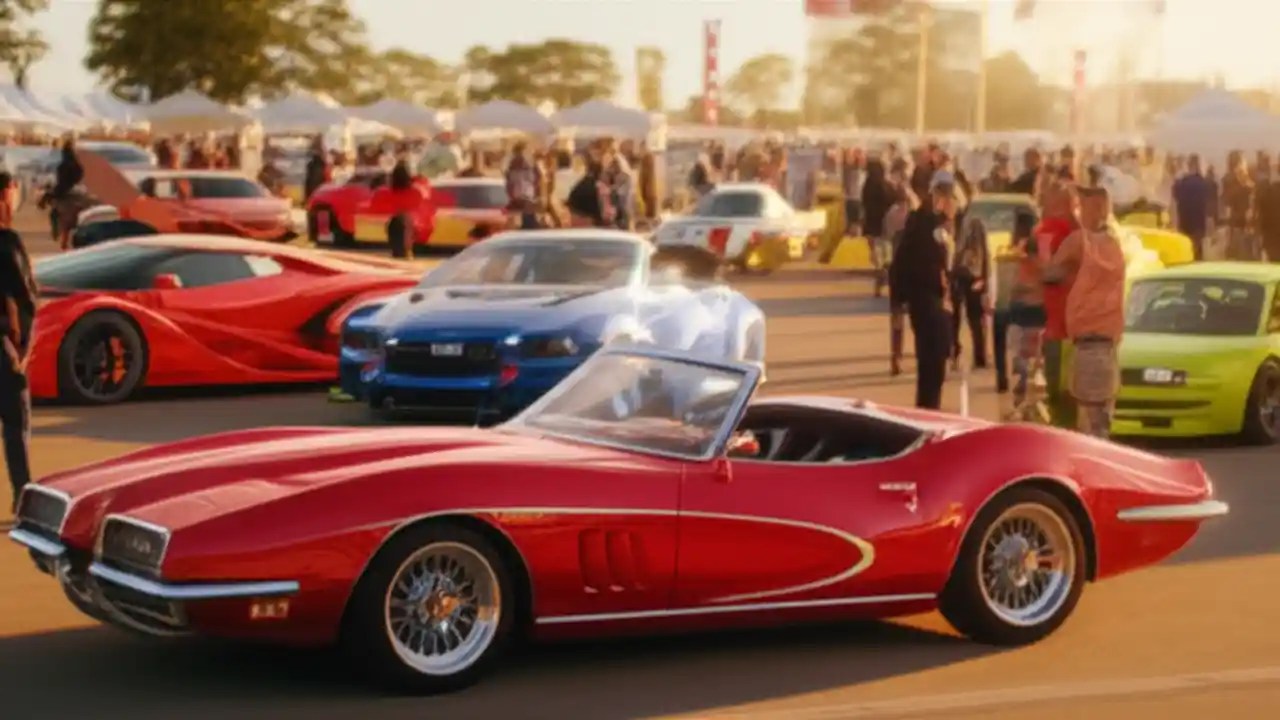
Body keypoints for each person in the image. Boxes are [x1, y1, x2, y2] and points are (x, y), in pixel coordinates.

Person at [1045, 186, 1126, 438]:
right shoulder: (1116, 244)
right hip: (1109, 346)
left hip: (1086, 344)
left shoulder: (1079, 242)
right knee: (1103, 421)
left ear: (1094, 209)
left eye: (1082, 206)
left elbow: (1050, 274)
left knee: (1088, 429)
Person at [890, 180, 956, 410]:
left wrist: (898, 299)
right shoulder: (932, 226)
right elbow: (940, 264)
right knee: (934, 361)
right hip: (930, 300)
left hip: (919, 300)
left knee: (928, 363)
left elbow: (900, 263)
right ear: (943, 200)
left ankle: (926, 408)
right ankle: (929, 409)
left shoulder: (917, 223)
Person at [1036, 181, 1081, 428]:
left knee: (1061, 395)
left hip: (1062, 327)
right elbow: (1048, 272)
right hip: (1065, 327)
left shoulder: (1052, 230)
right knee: (1067, 396)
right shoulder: (1055, 230)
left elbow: (1046, 272)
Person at [0, 229, 34, 512]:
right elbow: (23, 294)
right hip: (5, 348)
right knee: (15, 426)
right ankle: (22, 497)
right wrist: (19, 347)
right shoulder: (6, 242)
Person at [950, 187, 991, 370]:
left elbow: (985, 254)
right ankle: (953, 353)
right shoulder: (946, 224)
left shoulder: (975, 223)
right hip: (954, 274)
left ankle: (980, 356)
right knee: (953, 318)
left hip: (972, 275)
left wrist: (984, 278)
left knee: (975, 318)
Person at [1172, 154, 1213, 261]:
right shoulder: (1204, 182)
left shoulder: (1181, 183)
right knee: (1198, 251)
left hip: (1185, 222)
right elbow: (1208, 203)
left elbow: (1175, 197)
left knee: (1186, 251)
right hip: (1199, 222)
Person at [48, 138, 85, 250]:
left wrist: (53, 193)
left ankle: (61, 241)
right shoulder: (78, 166)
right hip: (77, 194)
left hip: (65, 194)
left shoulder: (62, 166)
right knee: (74, 220)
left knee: (62, 220)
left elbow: (61, 182)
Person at [505, 141, 542, 230]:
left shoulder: (529, 165)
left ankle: (528, 226)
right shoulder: (514, 165)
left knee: (528, 214)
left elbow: (538, 177)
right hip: (522, 193)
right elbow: (509, 181)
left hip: (525, 193)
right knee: (527, 214)